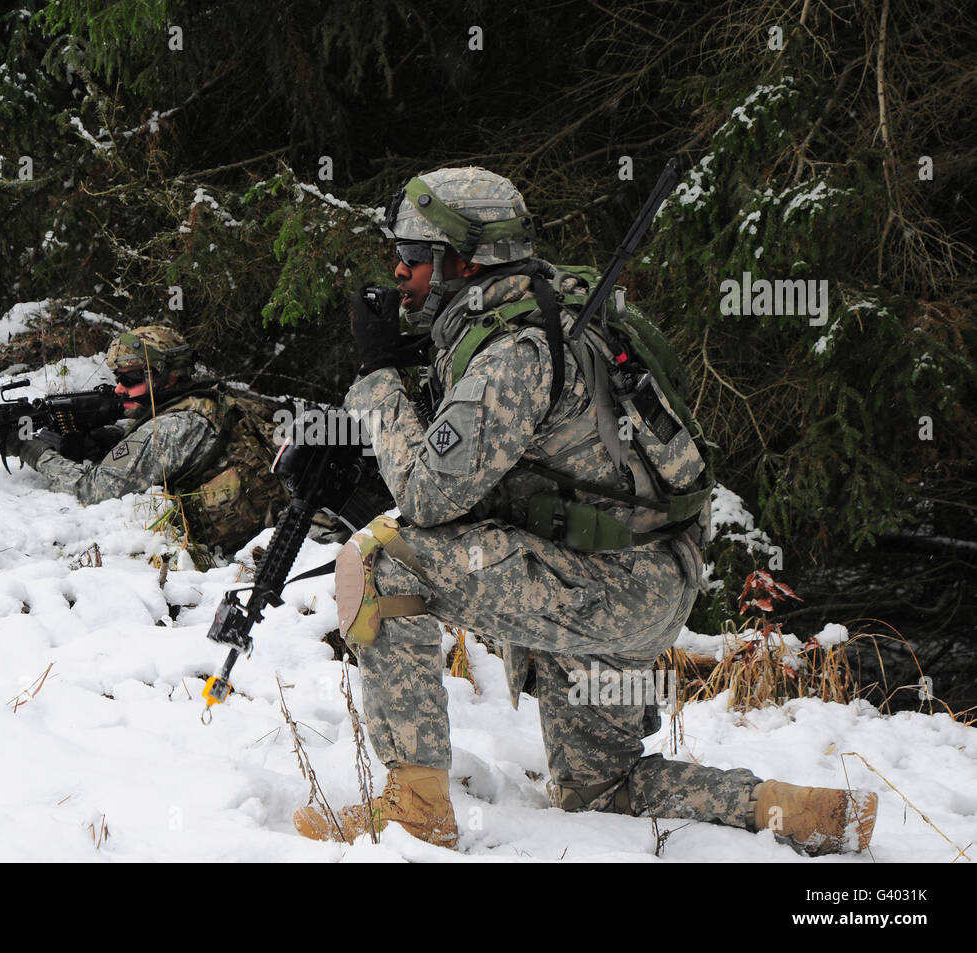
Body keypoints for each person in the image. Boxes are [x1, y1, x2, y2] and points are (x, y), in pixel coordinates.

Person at [292, 167, 878, 856]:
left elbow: (425, 498)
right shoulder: (548, 309)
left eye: (416, 258)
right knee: (600, 790)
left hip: (606, 585)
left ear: (465, 260)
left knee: (381, 560)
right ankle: (796, 810)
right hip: (641, 576)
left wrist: (377, 375)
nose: (399, 271)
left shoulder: (515, 351)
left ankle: (415, 813)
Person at [0, 325, 287, 554]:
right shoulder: (208, 399)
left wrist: (32, 450)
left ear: (166, 375)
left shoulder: (172, 426)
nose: (118, 389)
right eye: (118, 379)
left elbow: (91, 490)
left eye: (129, 379)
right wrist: (111, 440)